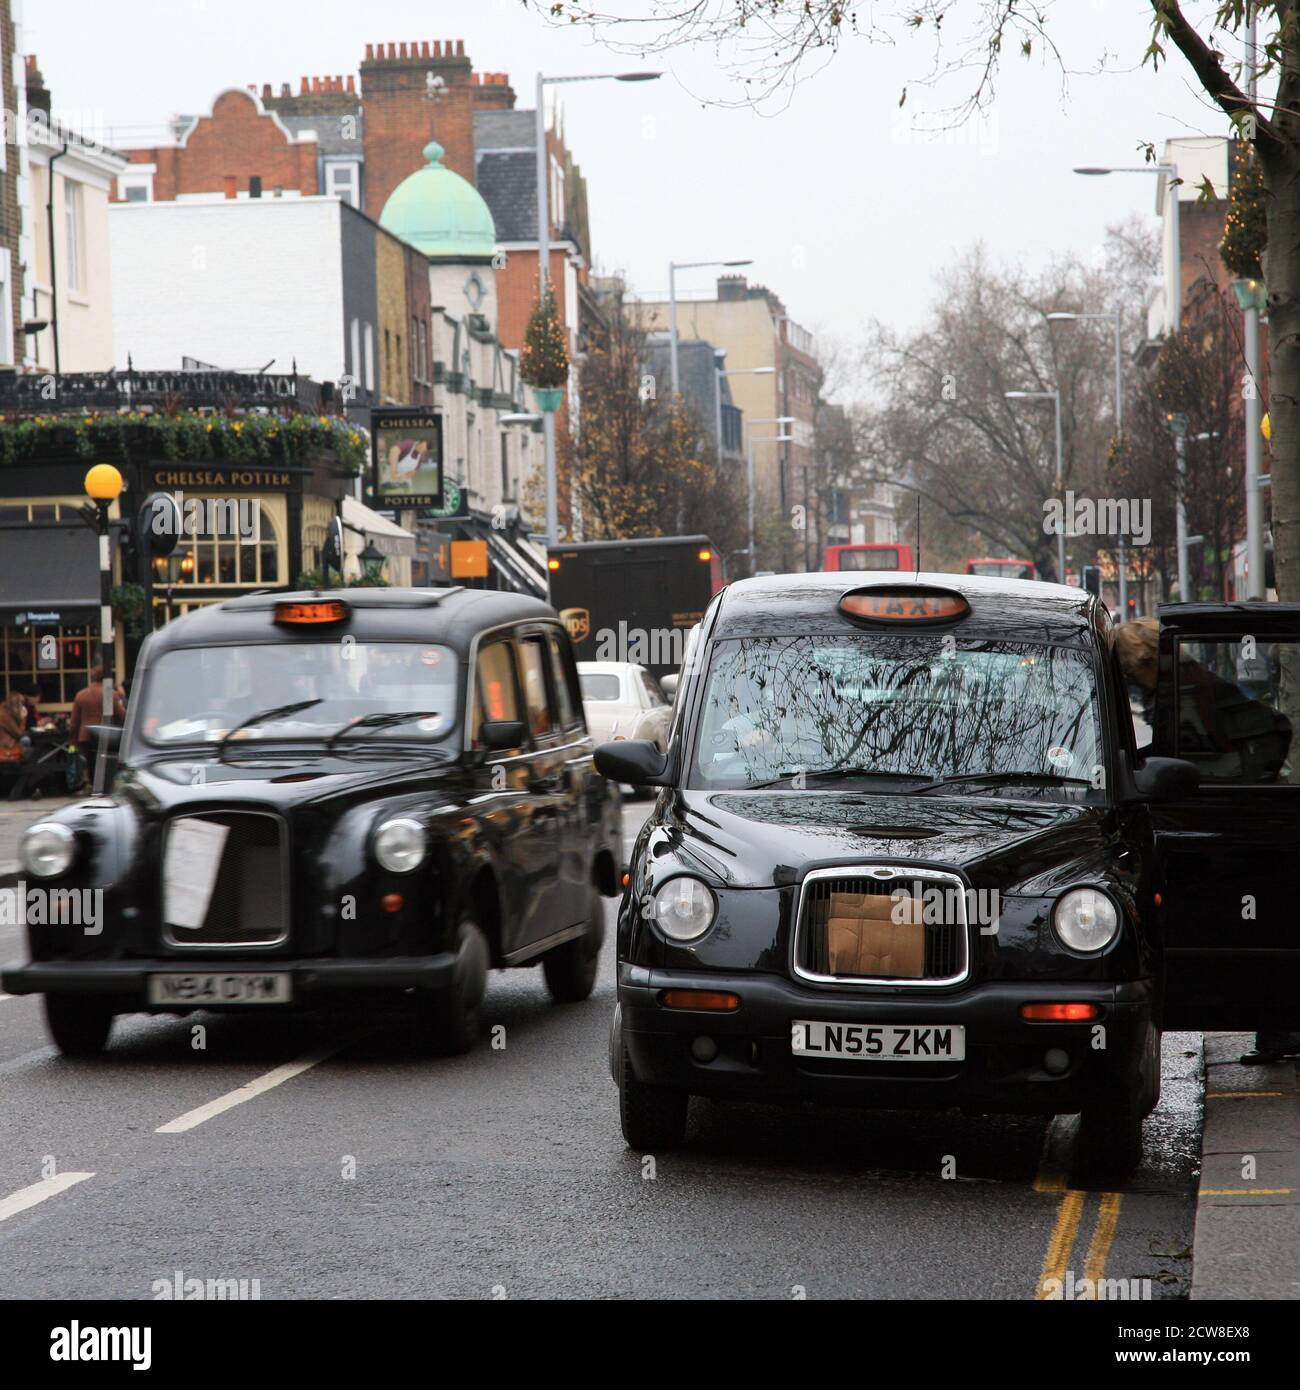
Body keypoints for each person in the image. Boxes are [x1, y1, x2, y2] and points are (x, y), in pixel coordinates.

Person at [68, 665, 126, 791]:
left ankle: (93, 786)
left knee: (90, 764)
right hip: (106, 735)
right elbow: (122, 715)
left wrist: (72, 741)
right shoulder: (110, 694)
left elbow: (74, 722)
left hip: (85, 736)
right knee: (106, 764)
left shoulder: (81, 695)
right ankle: (104, 788)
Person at [0, 690, 36, 799]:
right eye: (21, 703)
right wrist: (23, 718)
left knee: (32, 751)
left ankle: (25, 788)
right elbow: (18, 733)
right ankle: (20, 790)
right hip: (6, 748)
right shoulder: (4, 715)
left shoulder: (6, 713)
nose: (23, 706)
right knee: (33, 753)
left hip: (9, 745)